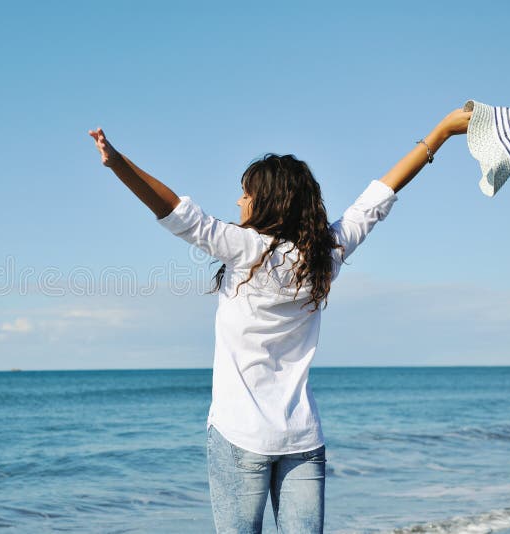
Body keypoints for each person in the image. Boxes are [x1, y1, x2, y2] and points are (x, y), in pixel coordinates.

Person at [88, 108, 471, 534]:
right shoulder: (324, 255)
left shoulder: (243, 249)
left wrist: (119, 163)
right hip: (302, 439)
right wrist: (442, 132)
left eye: (245, 193)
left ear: (267, 200)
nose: (238, 201)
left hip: (238, 435)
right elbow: (378, 197)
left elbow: (176, 211)